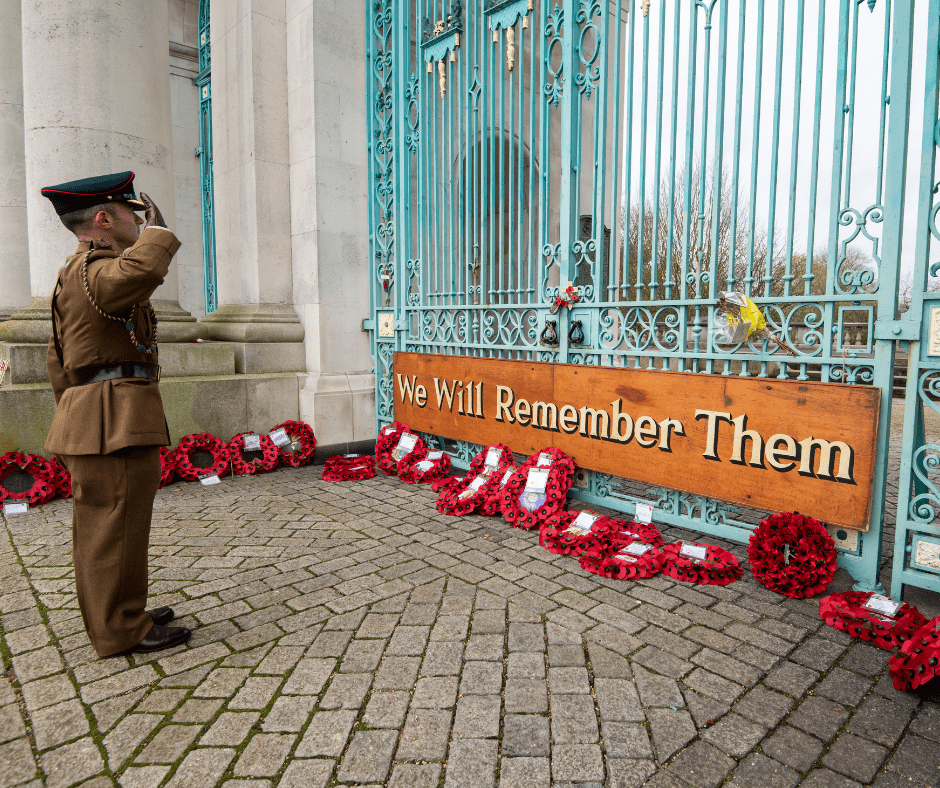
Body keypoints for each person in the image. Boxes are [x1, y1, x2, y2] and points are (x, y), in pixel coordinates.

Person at [41, 171, 192, 657]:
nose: (140, 219)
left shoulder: (76, 272)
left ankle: (121, 612)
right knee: (115, 527)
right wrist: (160, 236)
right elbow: (141, 272)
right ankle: (120, 628)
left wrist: (74, 410)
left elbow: (56, 360)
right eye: (132, 212)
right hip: (112, 420)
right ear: (104, 218)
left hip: (95, 417)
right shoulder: (96, 270)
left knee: (106, 528)